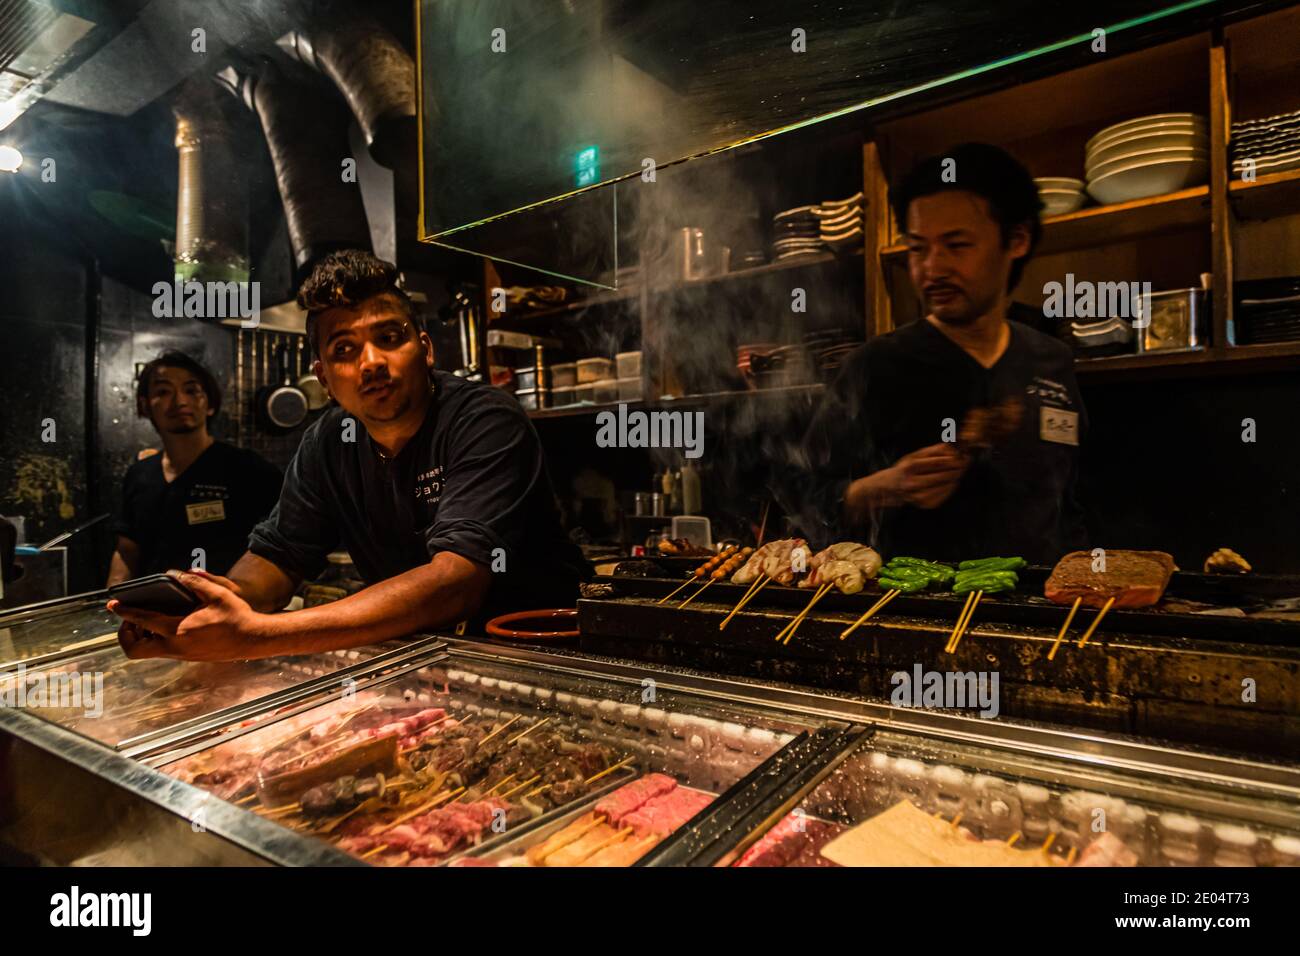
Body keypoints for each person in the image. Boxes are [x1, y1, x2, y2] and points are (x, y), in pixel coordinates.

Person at [111, 250, 587, 660]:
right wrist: (218, 603)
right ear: (323, 378)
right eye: (345, 349)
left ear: (424, 350)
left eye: (389, 337)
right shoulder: (327, 444)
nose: (372, 362)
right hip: (434, 660)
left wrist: (259, 636)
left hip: (547, 653)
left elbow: (455, 581)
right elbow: (278, 557)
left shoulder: (484, 418)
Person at [802, 143, 1087, 563]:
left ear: (1018, 240)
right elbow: (801, 498)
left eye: (957, 245)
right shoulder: (875, 366)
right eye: (918, 248)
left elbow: (1075, 500)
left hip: (1042, 617)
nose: (932, 269)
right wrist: (880, 488)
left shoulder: (1052, 361)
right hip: (913, 617)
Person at [107, 351, 282, 584]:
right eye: (163, 392)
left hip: (228, 611)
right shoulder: (139, 474)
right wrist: (114, 609)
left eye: (191, 390)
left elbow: (283, 547)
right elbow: (127, 551)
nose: (180, 401)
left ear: (209, 403)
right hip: (153, 611)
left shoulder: (248, 469)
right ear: (144, 406)